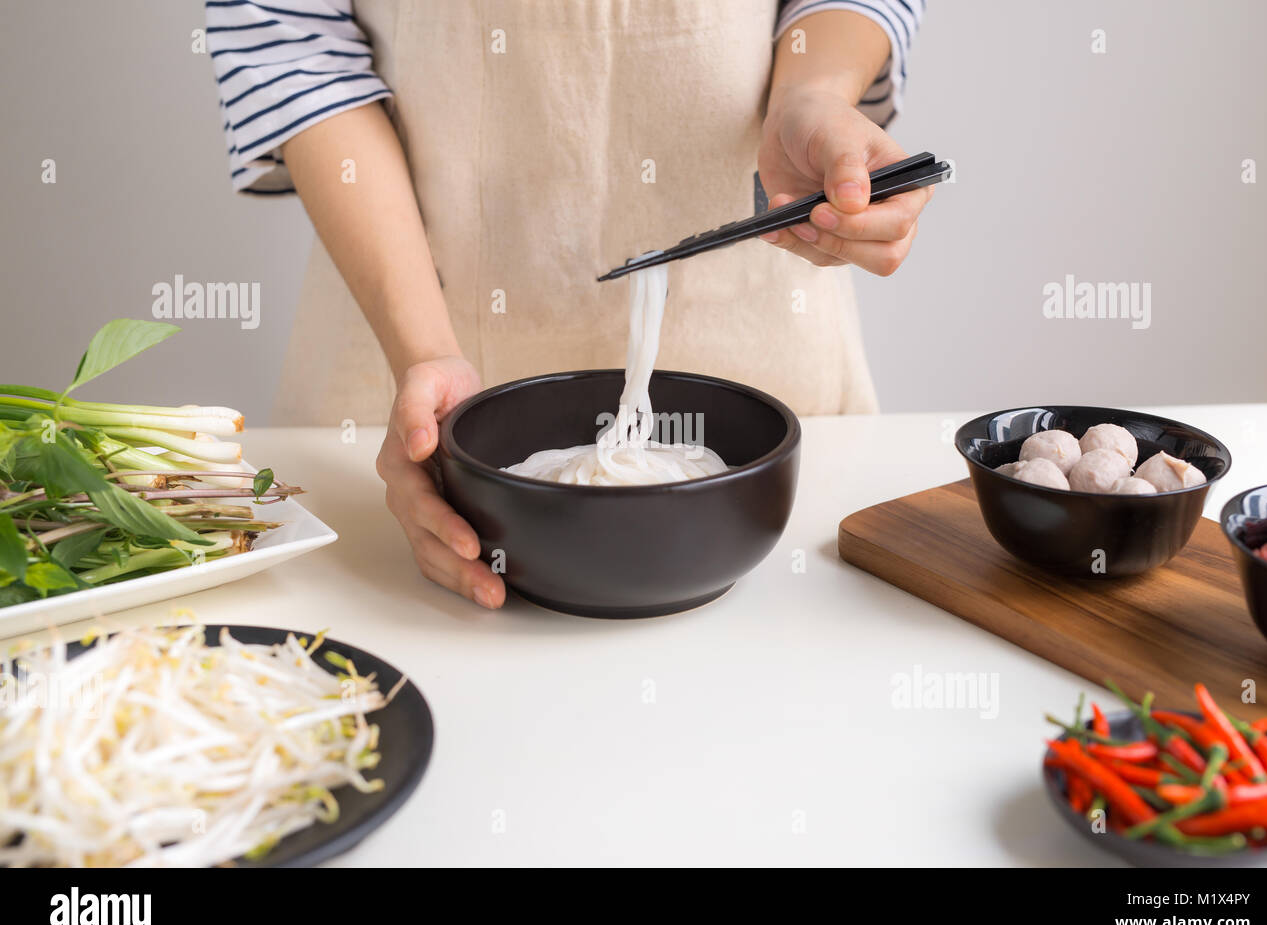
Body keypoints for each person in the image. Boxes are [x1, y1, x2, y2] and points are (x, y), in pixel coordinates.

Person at [207, 0, 932, 609]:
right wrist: (422, 350)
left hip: (760, 340)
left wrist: (815, 96)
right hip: (411, 330)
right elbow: (286, 38)